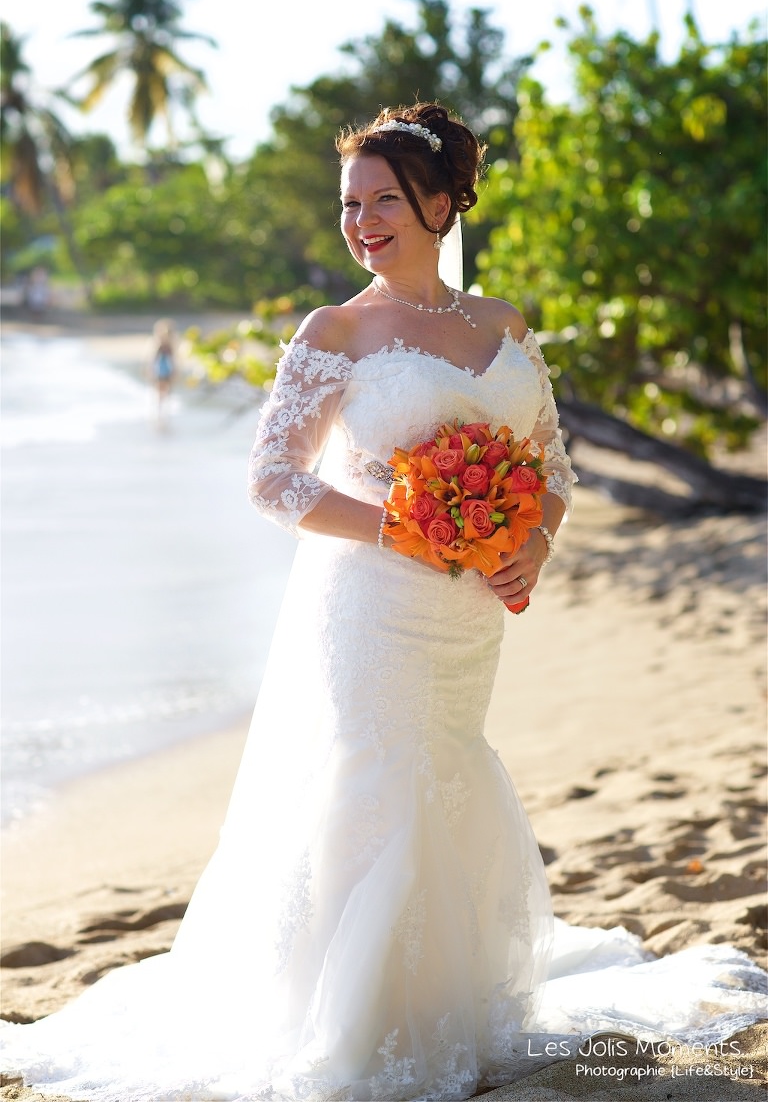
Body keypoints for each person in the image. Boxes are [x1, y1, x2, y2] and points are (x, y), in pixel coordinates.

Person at [1, 103, 765, 1101]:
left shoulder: (500, 324)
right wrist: (404, 529)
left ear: (442, 204)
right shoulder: (339, 331)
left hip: (470, 614)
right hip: (368, 602)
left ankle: (445, 1000)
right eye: (350, 204)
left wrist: (529, 546)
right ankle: (356, 1025)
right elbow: (274, 481)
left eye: (385, 200)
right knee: (374, 780)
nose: (362, 221)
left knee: (447, 769)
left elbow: (554, 466)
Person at [147, 318, 177, 425]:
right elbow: (153, 359)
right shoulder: (159, 344)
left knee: (166, 391)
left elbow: (174, 360)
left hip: (166, 369)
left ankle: (164, 413)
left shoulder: (170, 345)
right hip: (160, 369)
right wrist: (150, 370)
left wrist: (174, 371)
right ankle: (159, 412)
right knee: (160, 391)